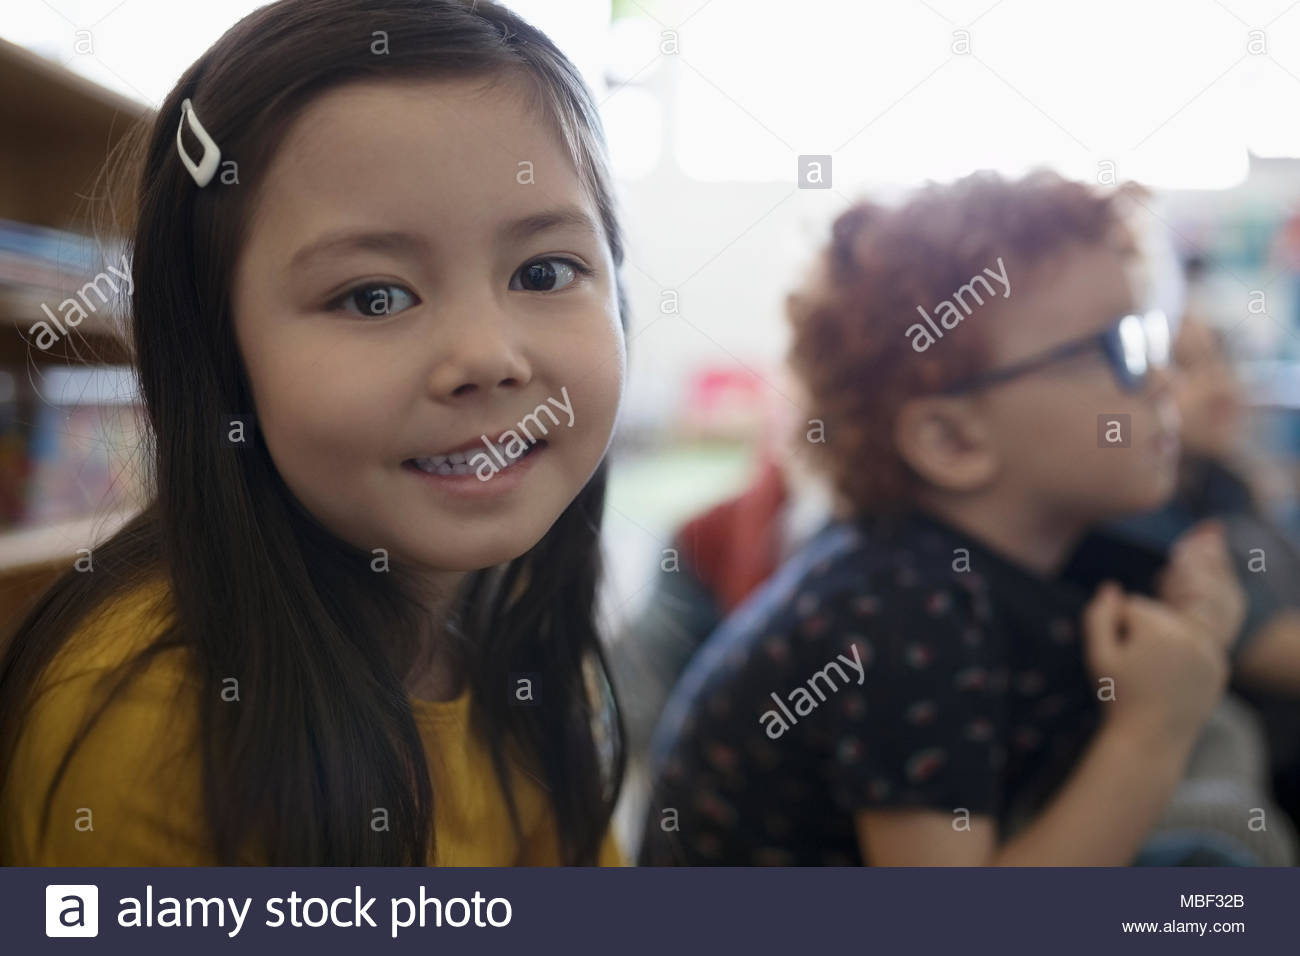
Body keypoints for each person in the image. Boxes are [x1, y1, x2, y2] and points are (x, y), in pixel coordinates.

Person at [0, 0, 629, 866]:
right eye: (374, 295)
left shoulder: (532, 636)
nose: (487, 358)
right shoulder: (153, 721)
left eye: (544, 271)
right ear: (219, 354)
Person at [638, 170, 1276, 866]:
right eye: (1116, 350)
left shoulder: (1017, 562)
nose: (1162, 382)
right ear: (953, 441)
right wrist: (1154, 729)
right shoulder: (901, 608)